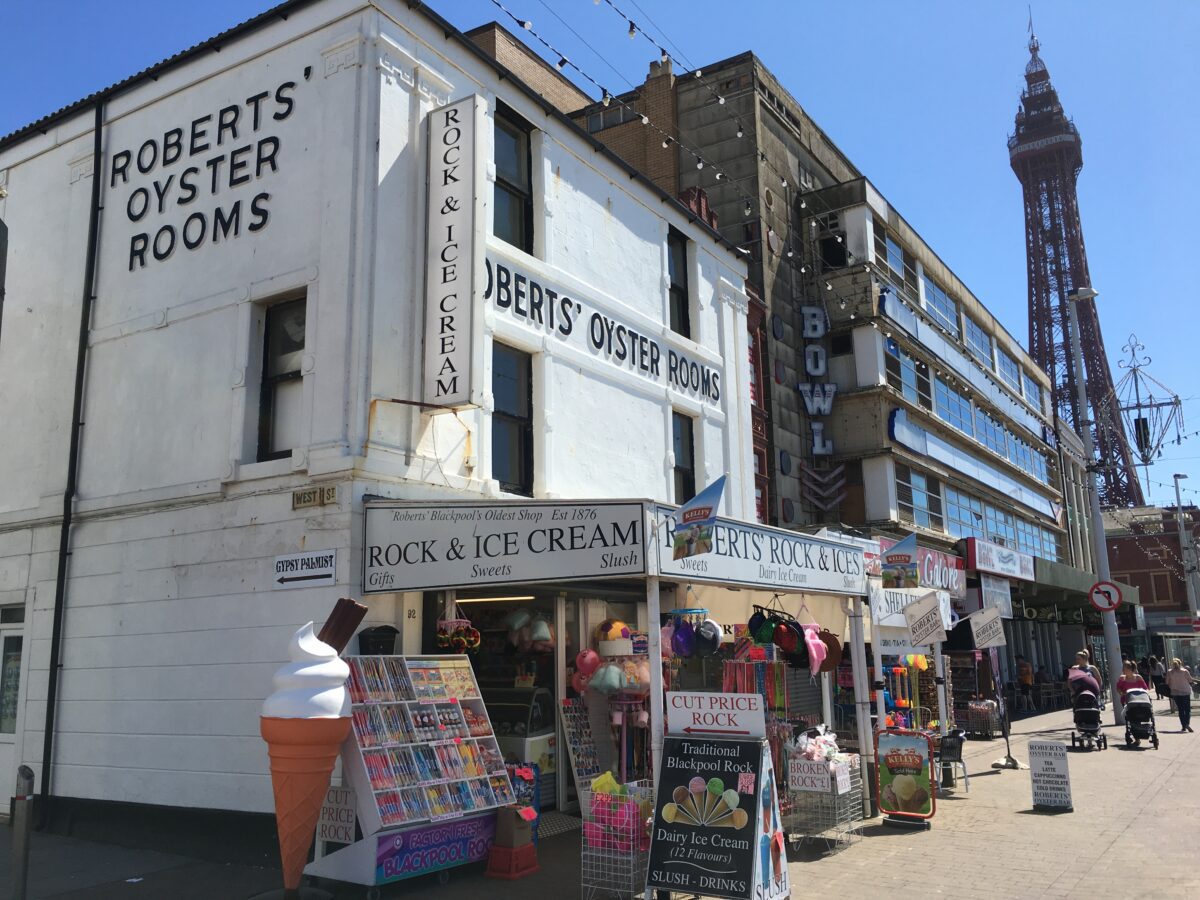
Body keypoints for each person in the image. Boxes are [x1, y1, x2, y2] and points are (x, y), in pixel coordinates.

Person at [1165, 659, 1195, 732]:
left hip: (1175, 693)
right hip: (1185, 692)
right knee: (1187, 709)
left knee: (1181, 710)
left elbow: (1166, 682)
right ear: (1180, 663)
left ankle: (1183, 726)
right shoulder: (1184, 671)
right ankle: (1187, 723)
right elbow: (1190, 680)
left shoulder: (1169, 672)